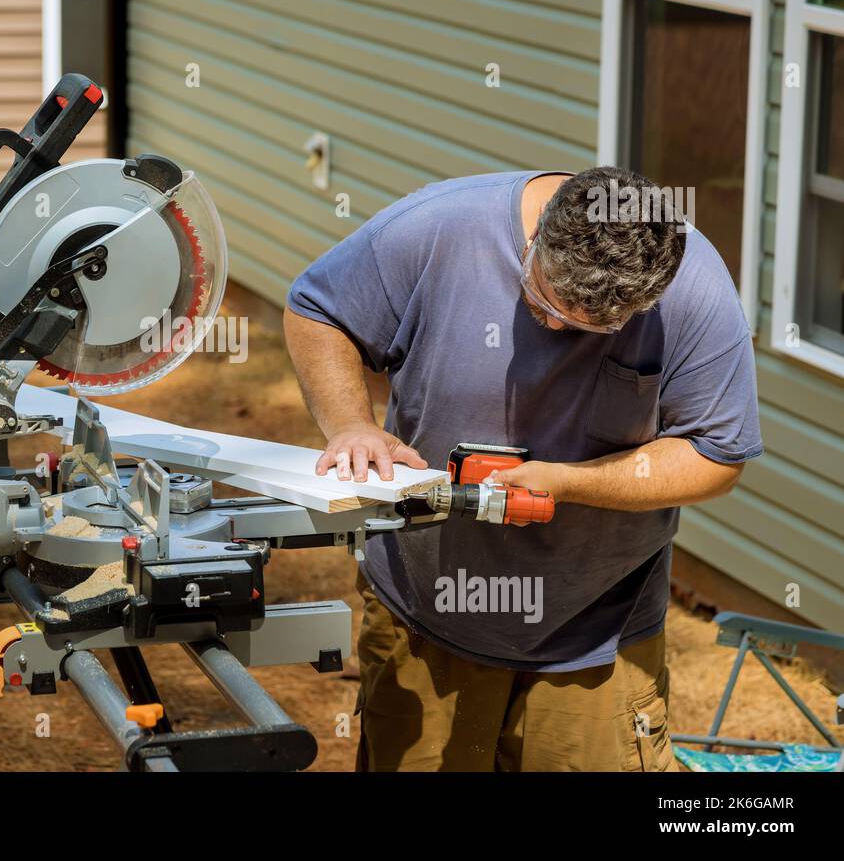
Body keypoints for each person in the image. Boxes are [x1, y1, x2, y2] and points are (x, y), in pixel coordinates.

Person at [284, 167, 762, 771]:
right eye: (544, 302)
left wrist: (571, 483)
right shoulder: (439, 229)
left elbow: (716, 456)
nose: (558, 329)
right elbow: (317, 311)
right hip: (425, 611)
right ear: (535, 241)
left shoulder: (695, 288)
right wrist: (351, 424)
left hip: (597, 631)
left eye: (594, 329)